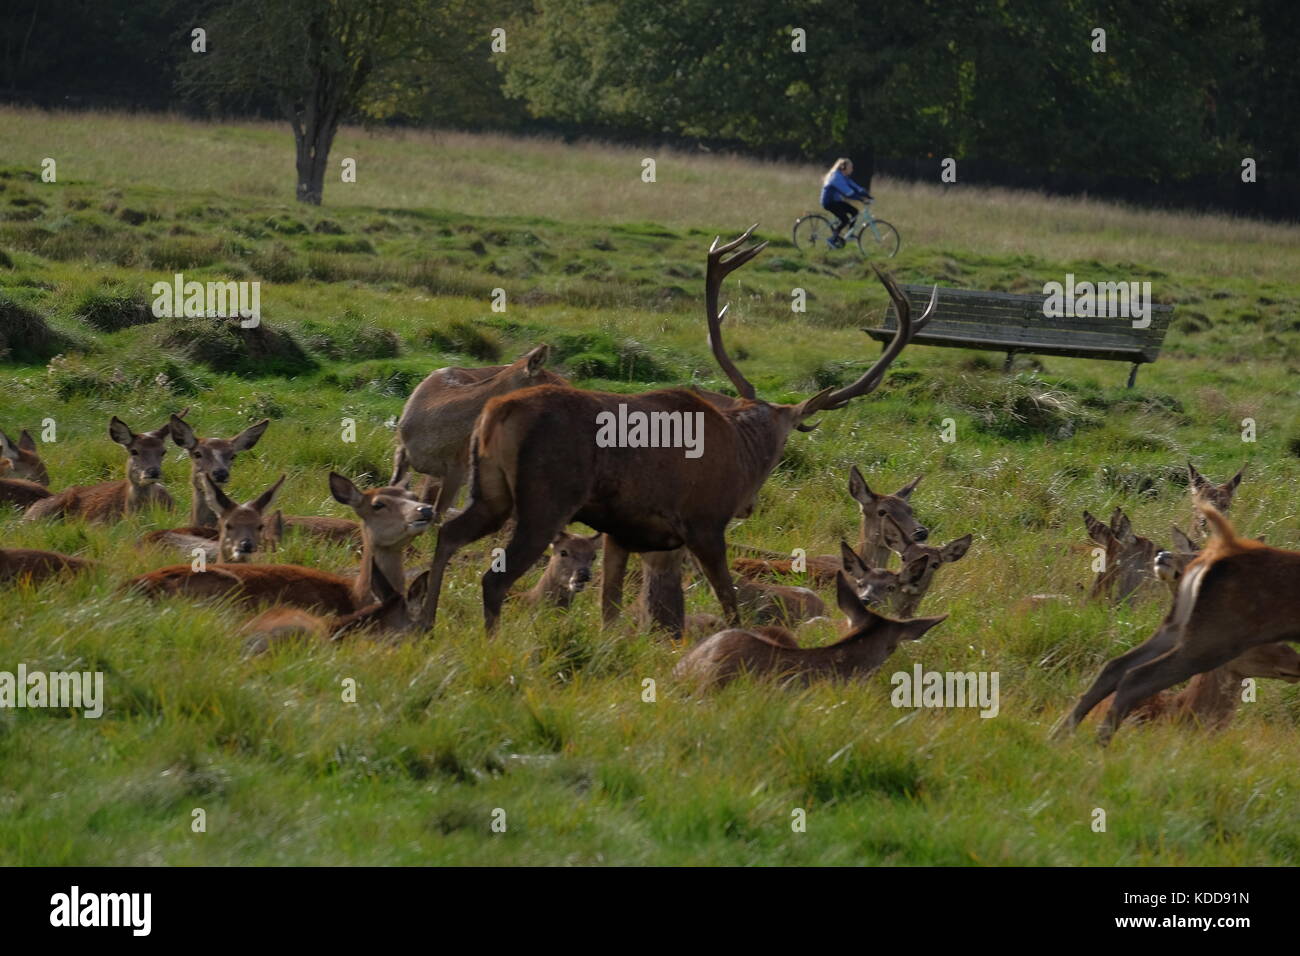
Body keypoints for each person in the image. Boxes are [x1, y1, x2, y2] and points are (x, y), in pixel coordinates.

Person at [819, 158, 872, 246]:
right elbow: (848, 193)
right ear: (843, 167)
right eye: (850, 167)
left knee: (855, 212)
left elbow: (856, 187)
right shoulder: (836, 177)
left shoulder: (843, 176)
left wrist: (867, 195)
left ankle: (850, 234)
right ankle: (833, 239)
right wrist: (861, 199)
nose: (852, 169)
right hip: (829, 202)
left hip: (836, 201)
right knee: (845, 219)